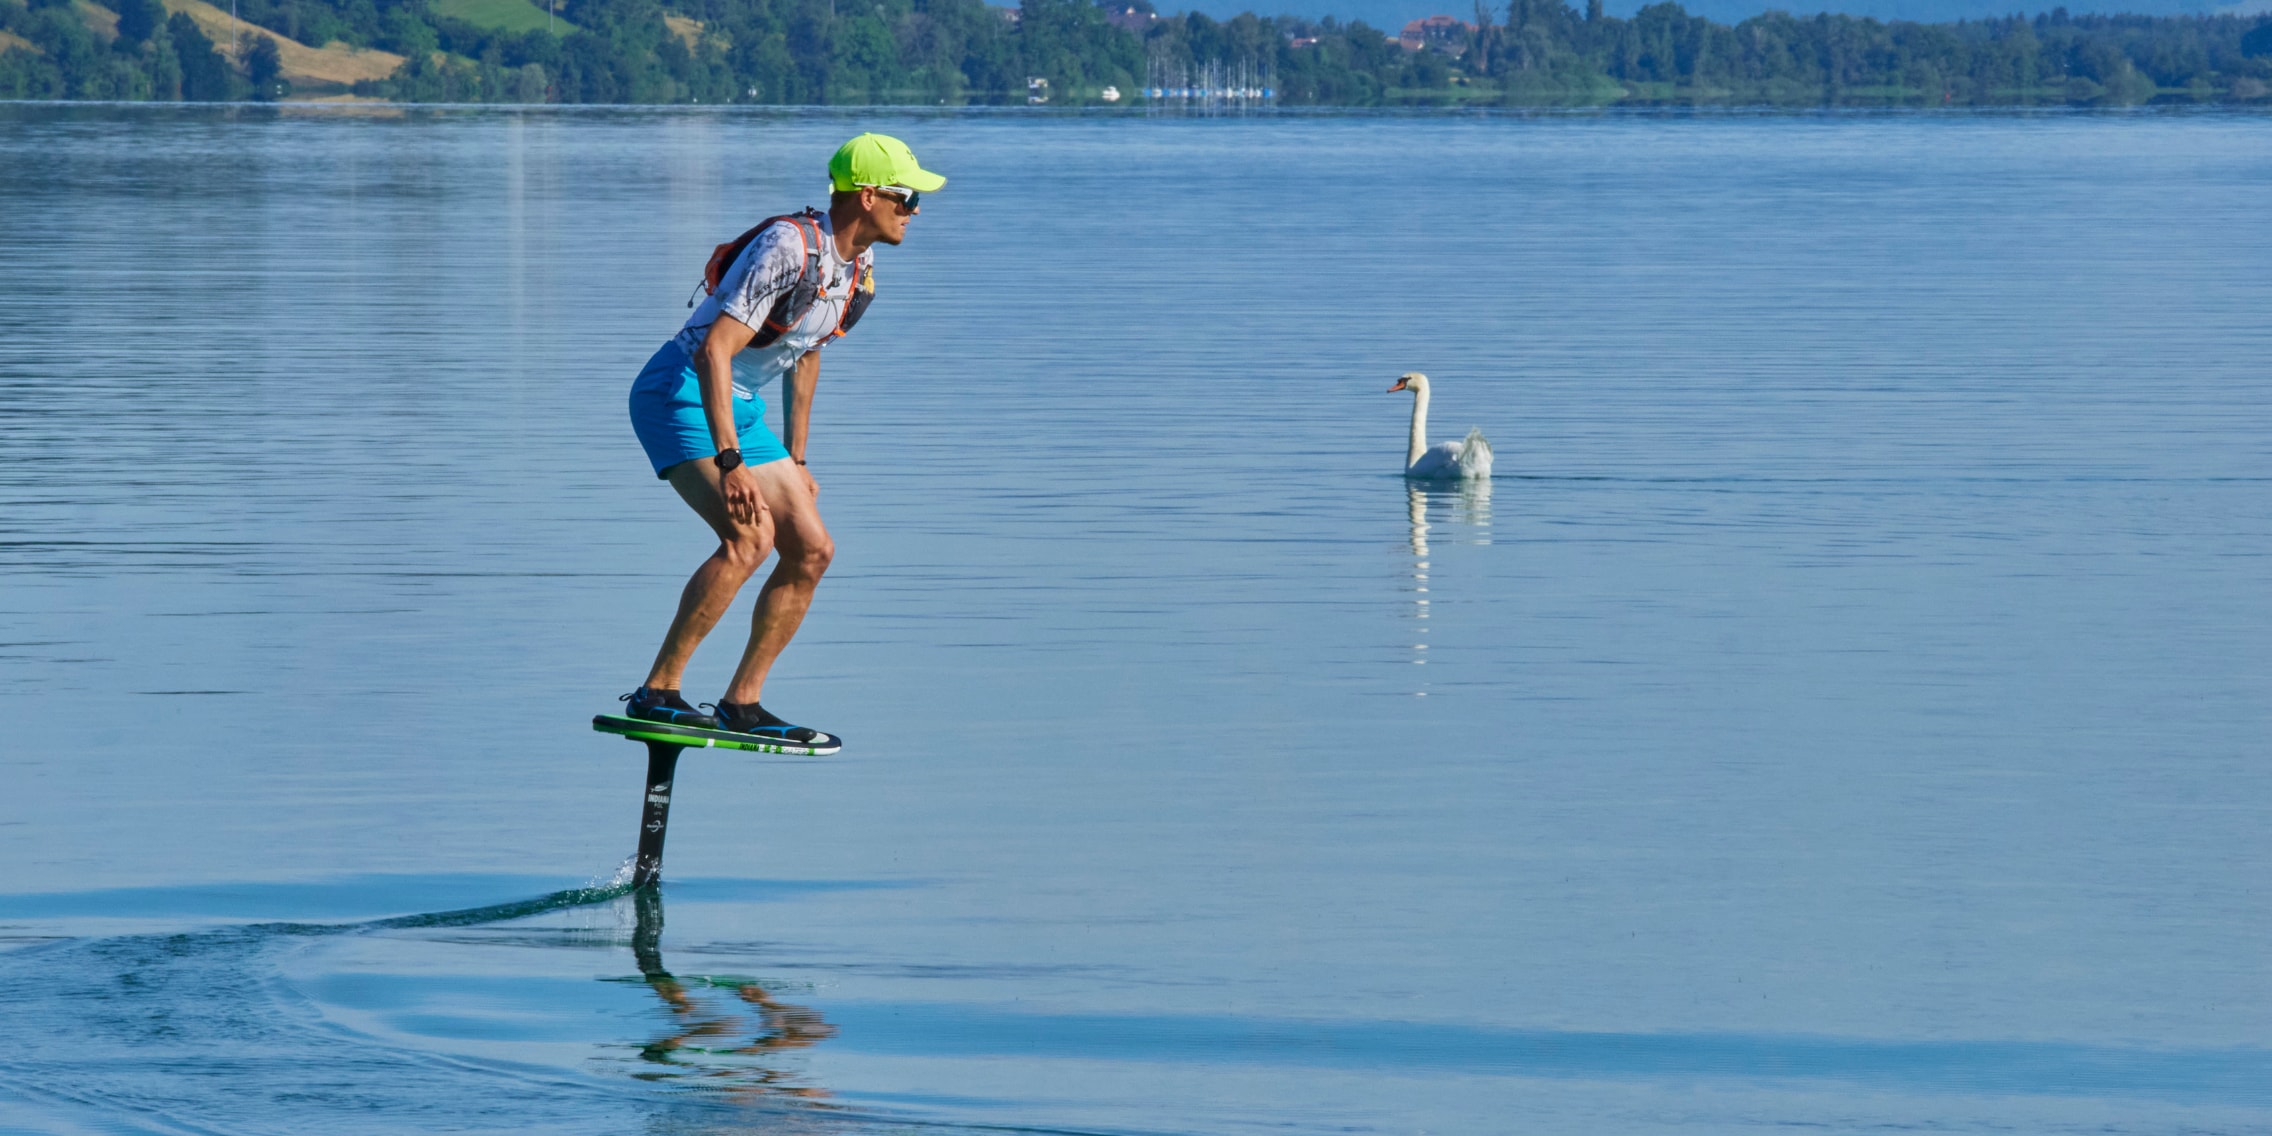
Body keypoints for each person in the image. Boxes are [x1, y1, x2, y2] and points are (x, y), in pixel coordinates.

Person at [620, 133, 944, 748]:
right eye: (906, 196)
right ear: (867, 195)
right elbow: (716, 349)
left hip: (743, 409)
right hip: (680, 390)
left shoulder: (859, 273)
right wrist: (731, 461)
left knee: (812, 548)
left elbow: (806, 354)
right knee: (750, 539)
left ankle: (742, 703)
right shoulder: (787, 246)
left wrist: (795, 458)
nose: (914, 210)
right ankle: (657, 693)